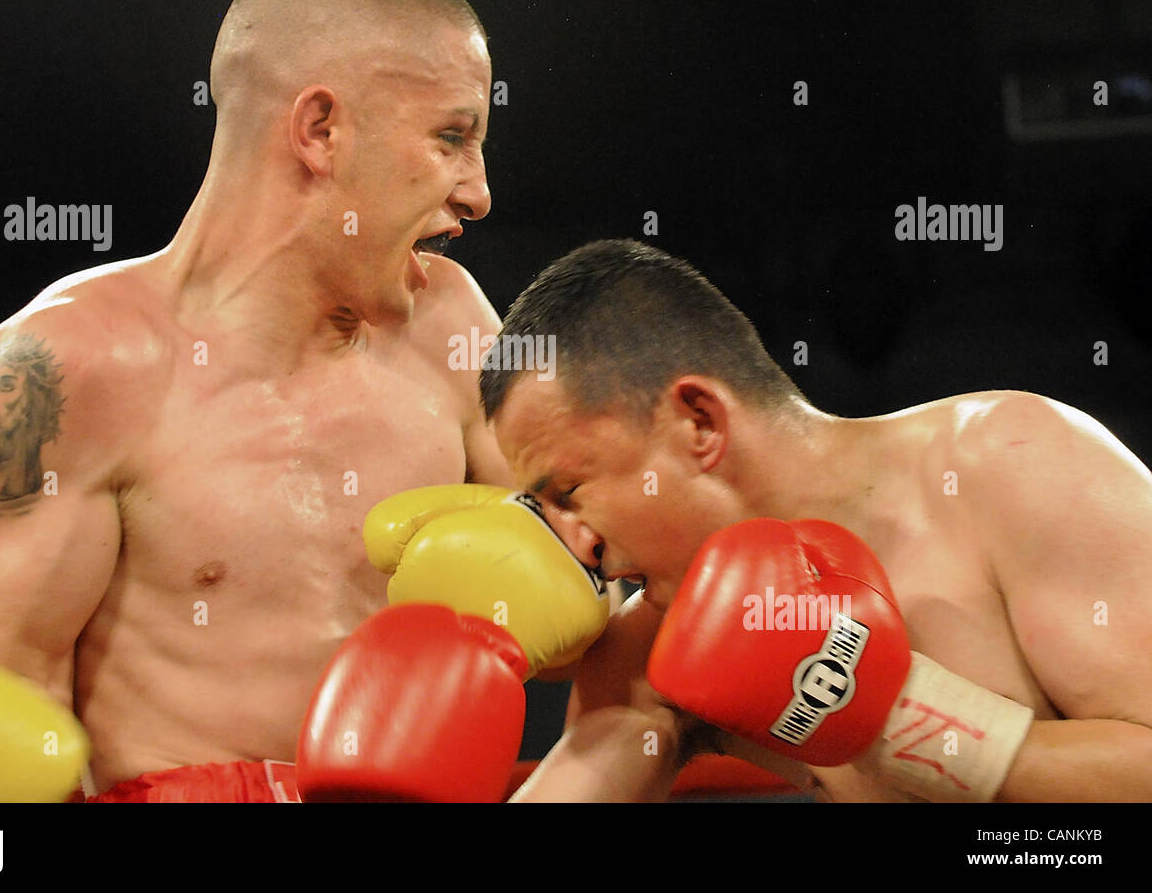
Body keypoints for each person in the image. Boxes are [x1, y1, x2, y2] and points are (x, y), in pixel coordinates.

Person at [0, 0, 523, 804]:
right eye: (451, 138)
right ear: (321, 130)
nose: (478, 192)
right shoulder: (61, 372)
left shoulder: (454, 326)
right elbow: (12, 725)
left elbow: (590, 592)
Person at [485, 239, 1152, 802]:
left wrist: (894, 722)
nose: (576, 542)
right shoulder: (656, 649)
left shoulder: (1010, 460)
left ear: (699, 422)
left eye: (570, 491)